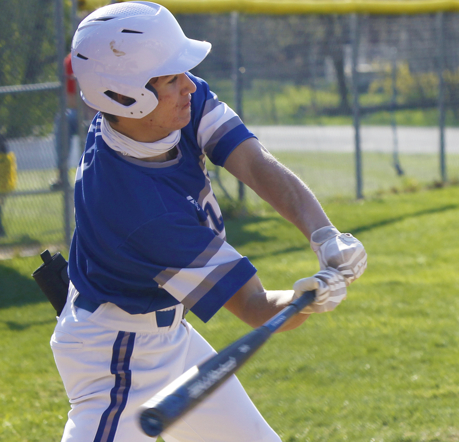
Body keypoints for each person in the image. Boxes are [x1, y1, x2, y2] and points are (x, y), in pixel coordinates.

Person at [50, 2, 367, 441]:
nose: (189, 86)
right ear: (126, 96)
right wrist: (306, 299)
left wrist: (324, 234)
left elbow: (254, 164)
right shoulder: (141, 212)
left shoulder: (157, 110)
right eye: (171, 79)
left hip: (165, 332)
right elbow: (255, 307)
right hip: (115, 356)